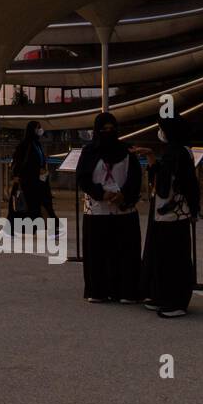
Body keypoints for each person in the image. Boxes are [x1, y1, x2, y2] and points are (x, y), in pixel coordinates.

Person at [75, 112, 143, 303]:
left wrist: (124, 194)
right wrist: (101, 193)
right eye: (104, 129)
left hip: (123, 210)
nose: (108, 132)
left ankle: (126, 291)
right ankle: (98, 290)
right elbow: (82, 178)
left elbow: (135, 177)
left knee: (125, 252)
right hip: (97, 211)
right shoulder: (89, 152)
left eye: (112, 129)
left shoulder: (127, 151)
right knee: (98, 253)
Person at [138, 117, 200, 318]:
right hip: (165, 215)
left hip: (174, 215)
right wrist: (151, 159)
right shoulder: (174, 152)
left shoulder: (179, 153)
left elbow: (185, 184)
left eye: (161, 129)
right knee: (162, 257)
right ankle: (163, 296)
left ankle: (176, 302)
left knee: (174, 258)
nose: (160, 133)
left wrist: (194, 210)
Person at [9, 121, 55, 220]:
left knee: (43, 203)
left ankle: (51, 227)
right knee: (24, 206)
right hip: (28, 181)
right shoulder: (24, 145)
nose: (40, 130)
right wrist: (16, 175)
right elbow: (18, 161)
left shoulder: (37, 144)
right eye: (38, 128)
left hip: (39, 180)